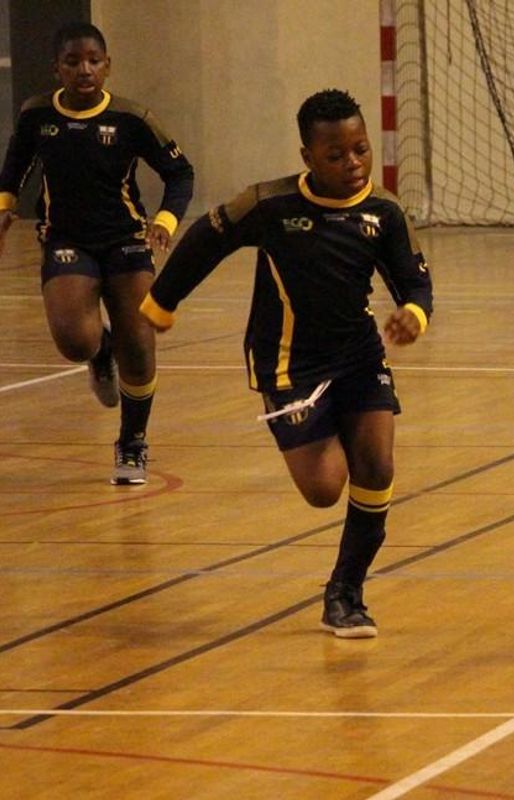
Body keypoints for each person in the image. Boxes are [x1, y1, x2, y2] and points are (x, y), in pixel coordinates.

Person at [139, 89, 433, 639]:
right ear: (307, 157)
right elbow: (206, 240)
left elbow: (414, 281)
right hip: (288, 366)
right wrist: (162, 301)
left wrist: (415, 313)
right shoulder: (269, 205)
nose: (353, 164)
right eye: (336, 156)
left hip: (359, 357)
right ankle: (339, 434)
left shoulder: (384, 212)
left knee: (377, 468)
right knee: (324, 489)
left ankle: (345, 594)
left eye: (361, 150)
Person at [0, 22, 194, 485]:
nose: (84, 69)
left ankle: (132, 443)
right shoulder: (37, 115)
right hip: (67, 239)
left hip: (126, 240)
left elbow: (180, 173)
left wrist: (165, 221)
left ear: (107, 66)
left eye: (93, 61)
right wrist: (5, 206)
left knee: (140, 342)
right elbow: (14, 166)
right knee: (74, 340)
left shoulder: (132, 119)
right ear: (57, 69)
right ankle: (99, 352)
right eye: (72, 62)